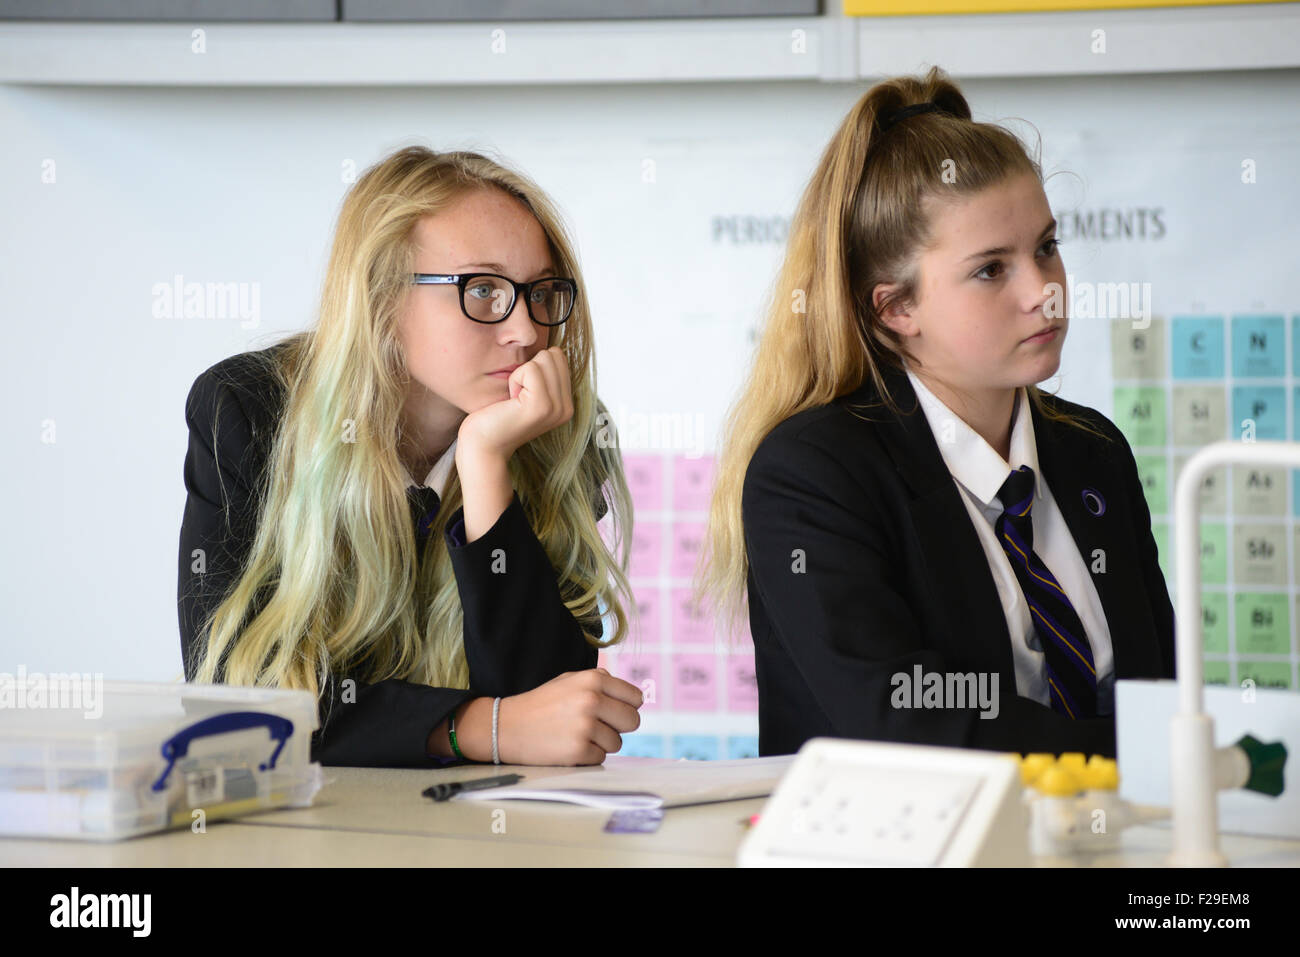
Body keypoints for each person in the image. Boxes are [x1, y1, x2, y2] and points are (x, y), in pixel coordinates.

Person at [698, 67, 1174, 759]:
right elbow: (904, 722)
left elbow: (1159, 692)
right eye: (991, 269)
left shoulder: (1093, 450)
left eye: (1046, 247)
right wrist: (1133, 759)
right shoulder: (810, 472)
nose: (1043, 291)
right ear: (896, 309)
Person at [179, 146, 643, 768]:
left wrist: (485, 466)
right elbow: (238, 702)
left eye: (541, 293)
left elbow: (556, 716)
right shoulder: (248, 410)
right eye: (482, 289)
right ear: (379, 298)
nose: (527, 331)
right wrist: (472, 728)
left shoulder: (560, 430)